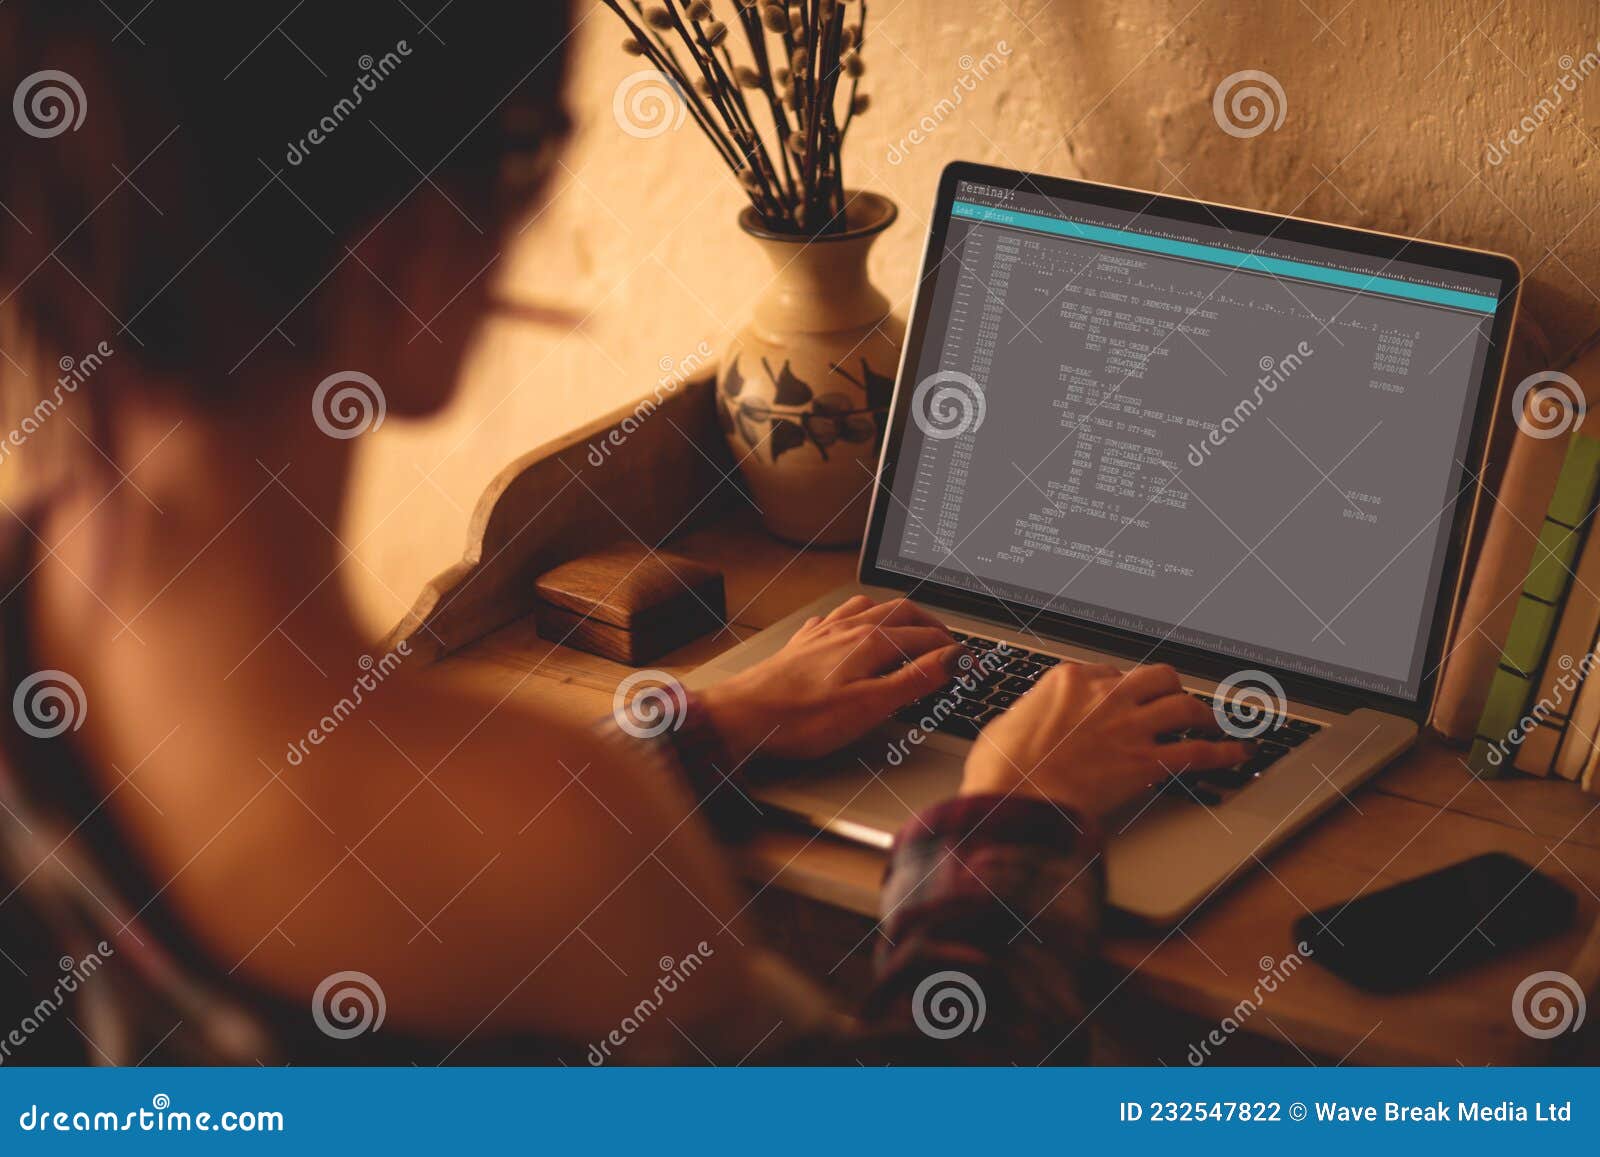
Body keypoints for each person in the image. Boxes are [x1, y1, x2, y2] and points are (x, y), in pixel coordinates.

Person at [0, 2, 1249, 1065]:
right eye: (525, 163)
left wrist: (710, 724)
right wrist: (1010, 815)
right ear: (410, 259)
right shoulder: (568, 836)